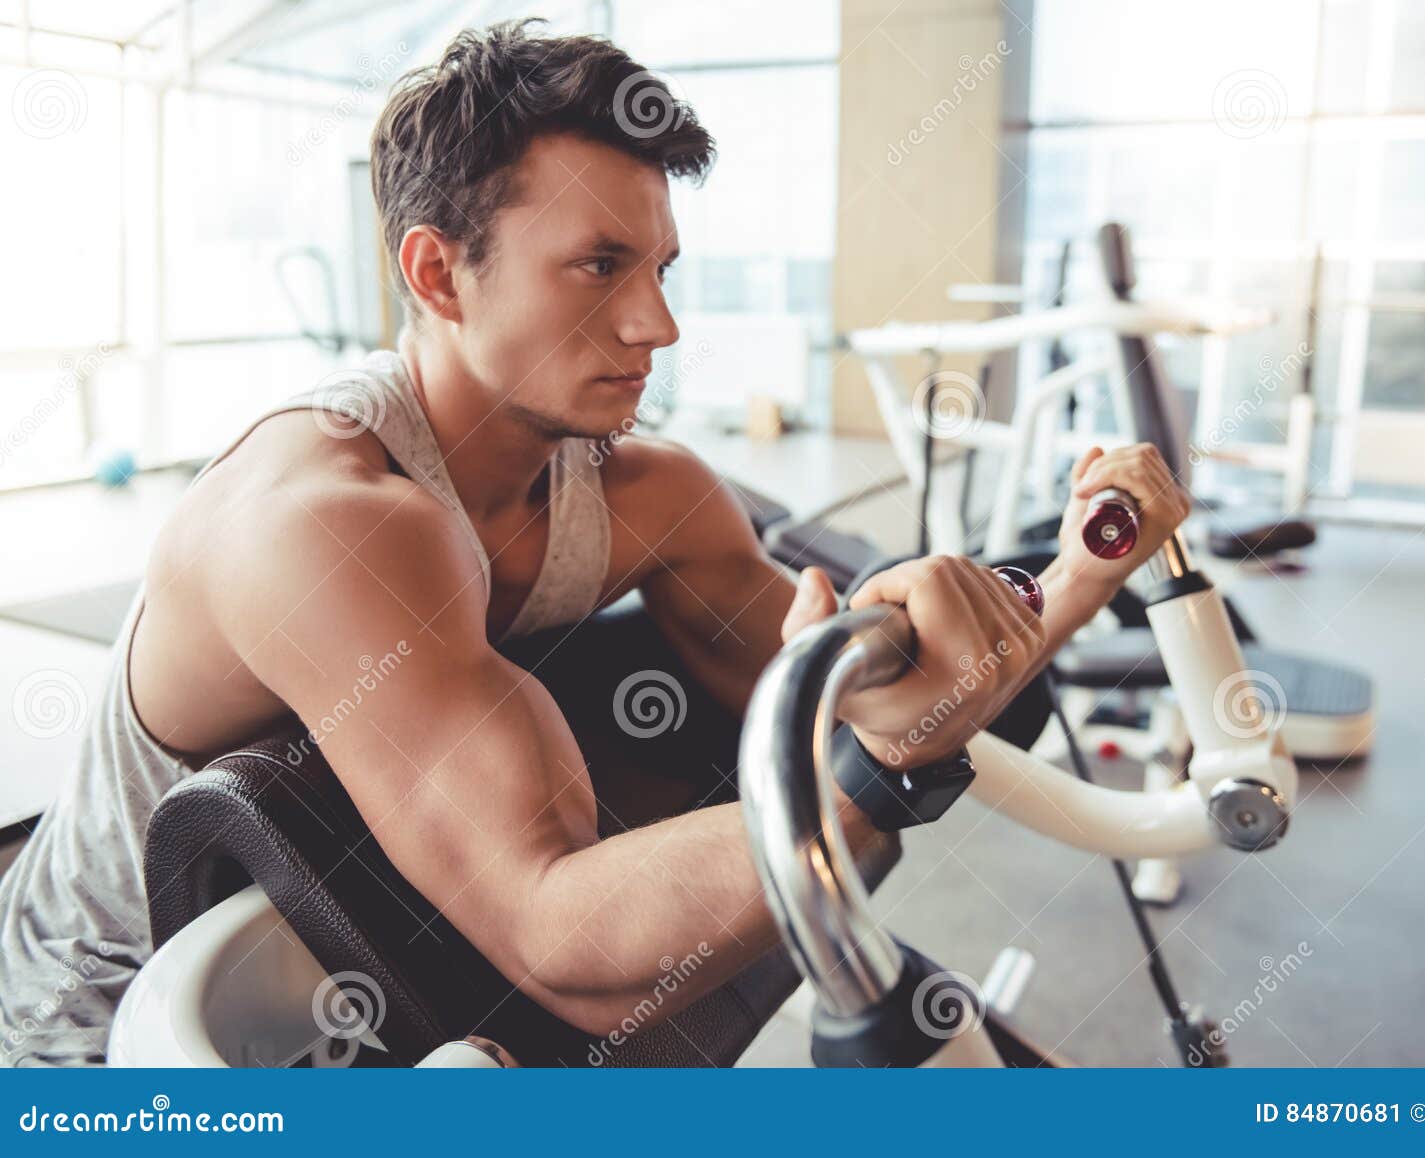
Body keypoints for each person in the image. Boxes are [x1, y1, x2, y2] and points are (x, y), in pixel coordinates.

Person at [0, 19, 1189, 1066]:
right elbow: (562, 940)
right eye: (598, 266)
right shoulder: (324, 525)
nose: (657, 323)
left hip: (359, 998)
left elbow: (859, 703)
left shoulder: (648, 495)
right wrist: (878, 768)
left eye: (661, 267)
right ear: (438, 273)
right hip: (113, 1043)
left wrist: (1083, 568)